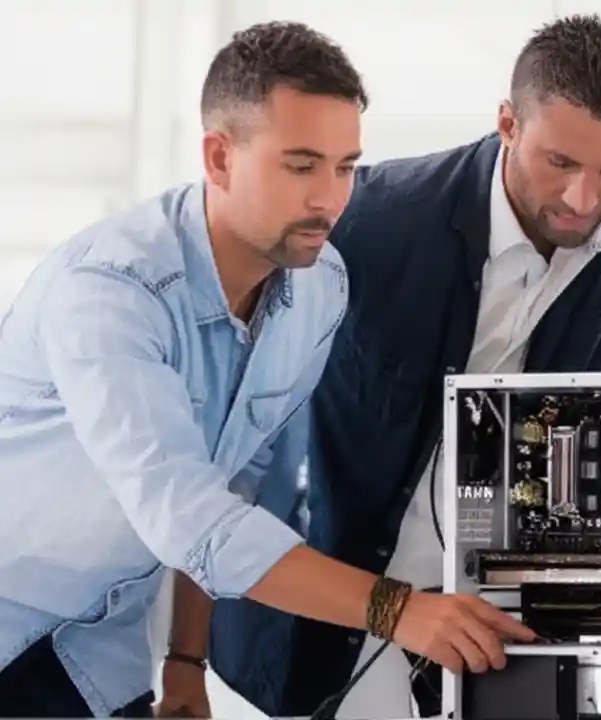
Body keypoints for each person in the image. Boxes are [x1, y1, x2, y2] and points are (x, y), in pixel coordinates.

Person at [0, 21, 532, 719]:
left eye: (345, 167)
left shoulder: (318, 287)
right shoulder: (113, 292)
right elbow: (192, 519)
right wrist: (398, 611)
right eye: (301, 166)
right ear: (219, 157)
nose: (330, 199)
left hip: (98, 652)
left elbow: (232, 486)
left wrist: (185, 660)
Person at [206, 13, 601, 718]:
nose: (584, 200)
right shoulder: (373, 219)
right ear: (507, 124)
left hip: (497, 599)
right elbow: (240, 425)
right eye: (560, 163)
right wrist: (184, 654)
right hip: (339, 588)